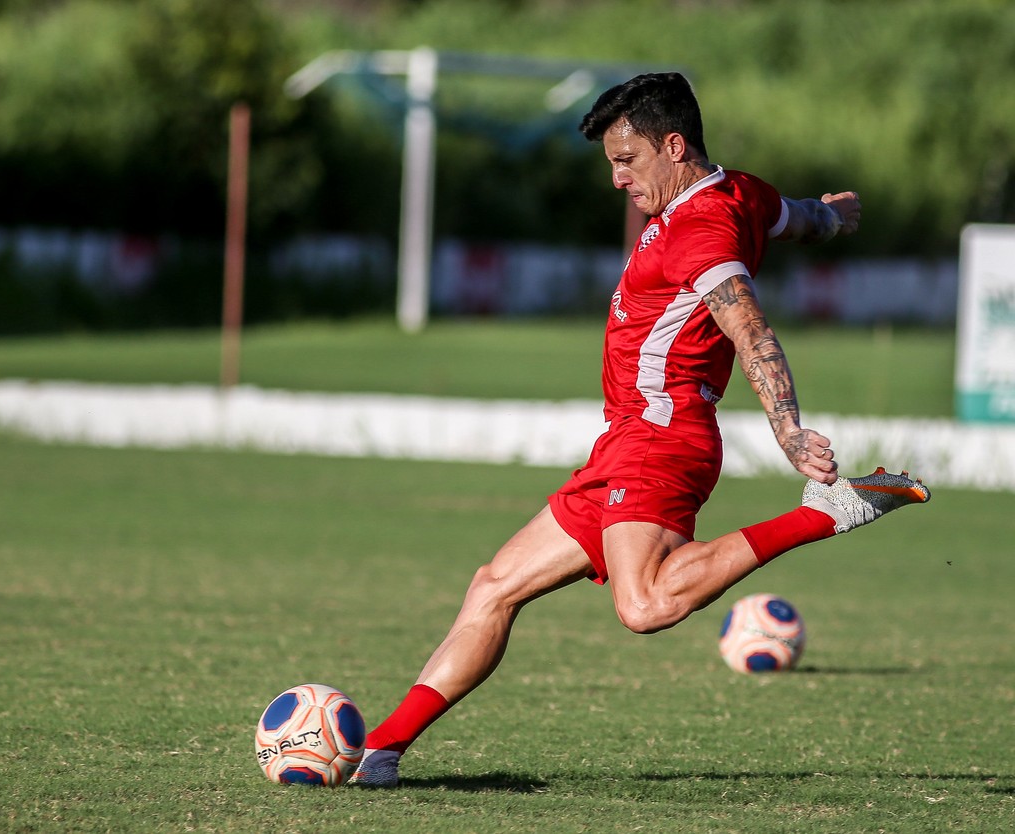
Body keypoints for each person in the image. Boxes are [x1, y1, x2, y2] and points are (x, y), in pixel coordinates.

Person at [349, 72, 930, 787]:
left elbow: (747, 325)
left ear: (674, 145)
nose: (618, 179)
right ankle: (379, 751)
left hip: (662, 436)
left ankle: (821, 515)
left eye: (627, 161)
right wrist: (832, 215)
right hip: (626, 440)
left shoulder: (701, 226)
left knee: (646, 604)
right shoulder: (740, 193)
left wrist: (788, 429)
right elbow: (795, 215)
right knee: (494, 586)